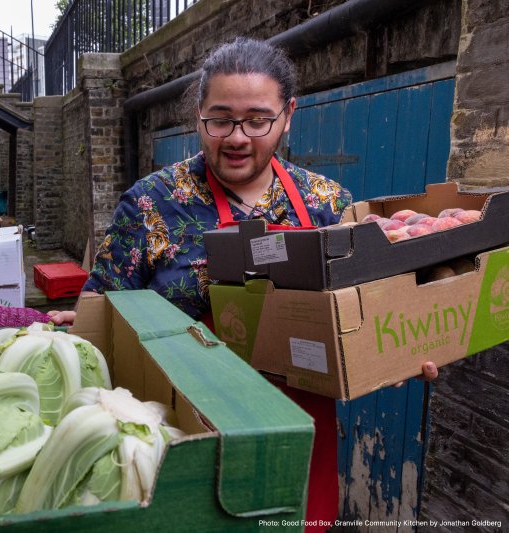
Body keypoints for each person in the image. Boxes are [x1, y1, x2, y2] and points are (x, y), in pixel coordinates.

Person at [50, 37, 438, 530]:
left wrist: (397, 349)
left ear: (288, 114)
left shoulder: (327, 203)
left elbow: (361, 310)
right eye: (220, 119)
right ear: (198, 117)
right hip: (182, 434)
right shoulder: (151, 205)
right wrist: (79, 326)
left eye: (258, 119)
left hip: (300, 431)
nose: (237, 136)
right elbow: (102, 310)